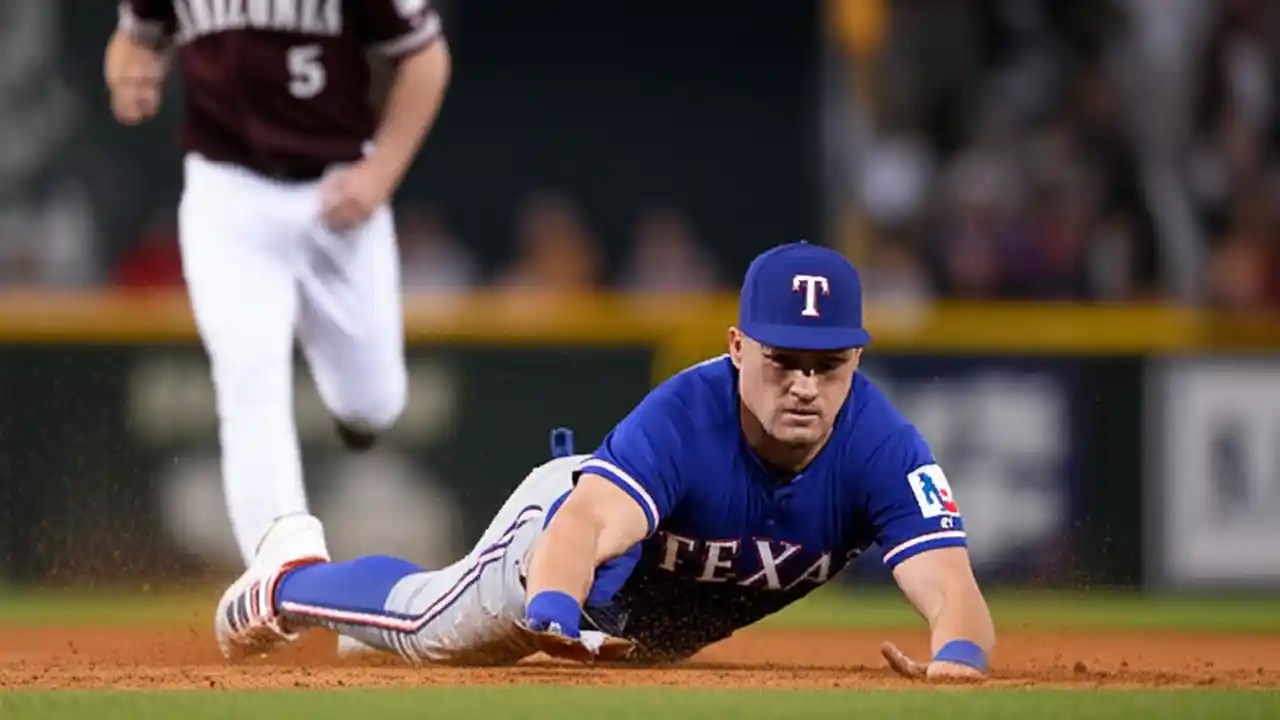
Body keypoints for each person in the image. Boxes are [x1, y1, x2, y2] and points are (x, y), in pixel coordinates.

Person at [214, 242, 996, 680]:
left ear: (857, 356)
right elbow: (586, 525)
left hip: (639, 625)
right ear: (736, 347)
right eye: (783, 358)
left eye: (827, 364)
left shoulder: (884, 446)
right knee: (430, 625)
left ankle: (359, 633)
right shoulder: (688, 415)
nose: (803, 384)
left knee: (467, 638)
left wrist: (957, 657)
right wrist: (554, 613)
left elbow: (952, 589)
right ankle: (287, 581)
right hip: (566, 545)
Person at [104, 1, 452, 566]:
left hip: (338, 190)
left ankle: (353, 408)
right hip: (228, 192)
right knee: (247, 370)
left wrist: (381, 172)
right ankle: (281, 567)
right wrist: (127, 71)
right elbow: (133, 39)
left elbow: (427, 58)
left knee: (374, 403)